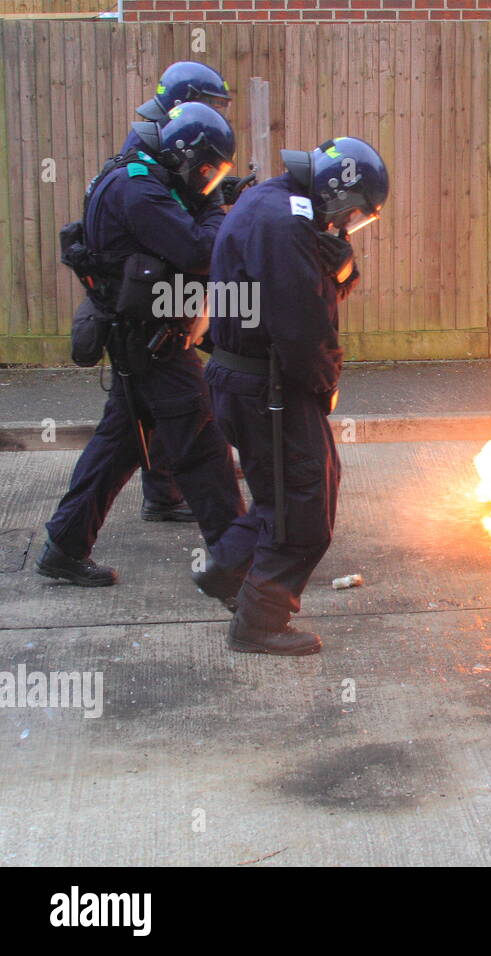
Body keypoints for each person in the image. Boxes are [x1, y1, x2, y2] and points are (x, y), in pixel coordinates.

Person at [37, 103, 245, 587]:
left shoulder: (141, 174)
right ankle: (241, 567)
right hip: (153, 341)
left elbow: (176, 225)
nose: (205, 182)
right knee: (202, 447)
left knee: (119, 443)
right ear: (182, 153)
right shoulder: (138, 187)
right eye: (205, 171)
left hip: (140, 337)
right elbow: (197, 250)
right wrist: (217, 208)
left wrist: (206, 200)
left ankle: (64, 546)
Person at [197, 137, 388, 656]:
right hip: (270, 388)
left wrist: (342, 270)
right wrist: (326, 384)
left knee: (284, 495)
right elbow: (302, 325)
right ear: (334, 188)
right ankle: (260, 622)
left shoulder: (271, 203)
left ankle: (225, 569)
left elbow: (302, 292)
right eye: (350, 212)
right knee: (303, 510)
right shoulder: (286, 227)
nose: (347, 225)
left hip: (243, 382)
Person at [121, 61, 236, 523]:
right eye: (208, 104)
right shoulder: (148, 157)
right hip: (161, 300)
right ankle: (232, 545)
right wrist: (215, 205)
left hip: (164, 294)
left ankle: (164, 490)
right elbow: (190, 243)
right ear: (185, 100)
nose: (213, 113)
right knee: (190, 404)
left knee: (135, 421)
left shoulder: (159, 141)